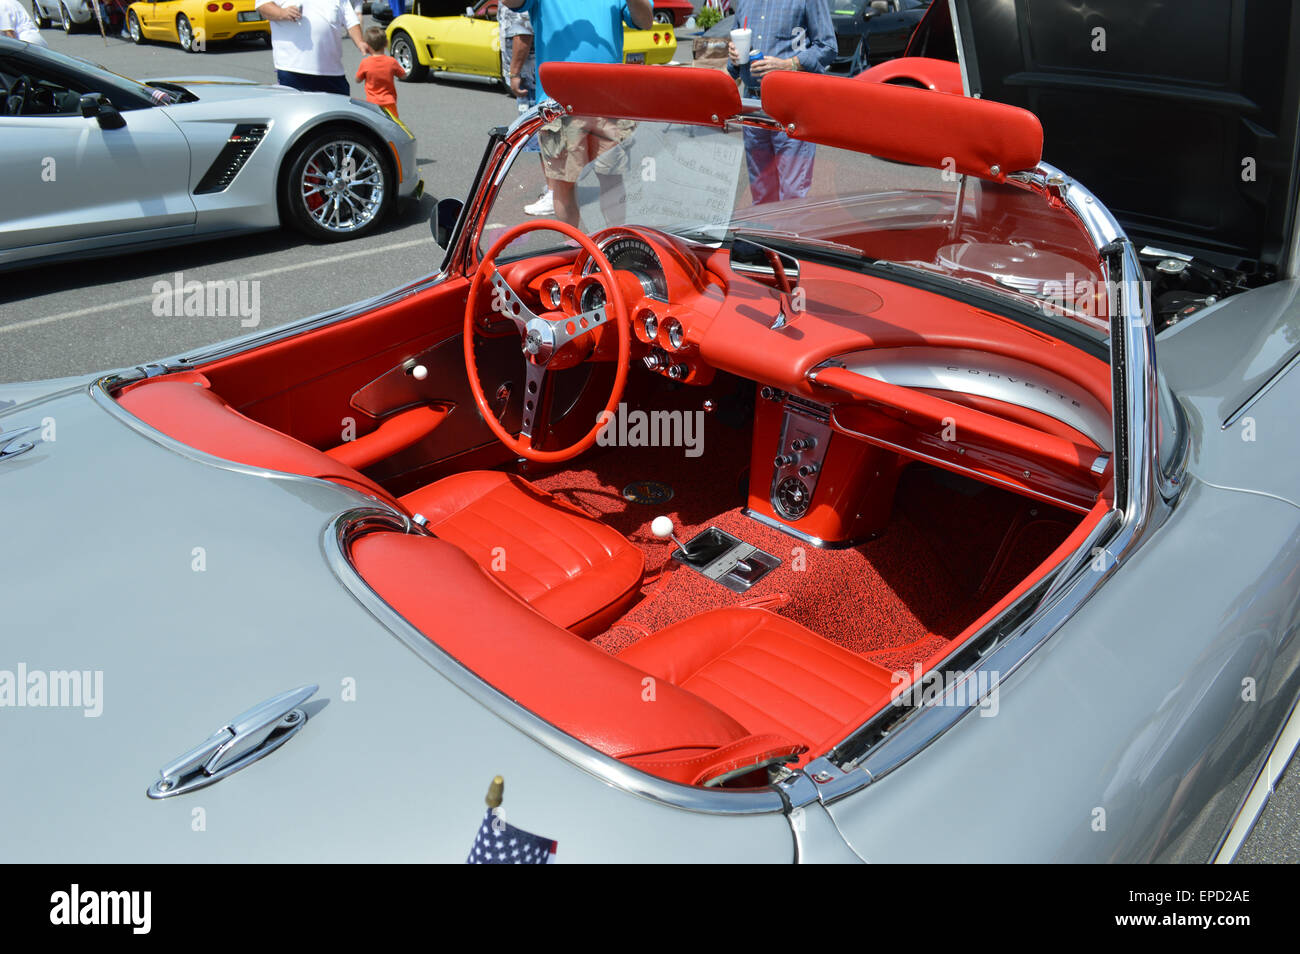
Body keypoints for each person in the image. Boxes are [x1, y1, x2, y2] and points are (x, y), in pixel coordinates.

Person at [503, 0, 653, 226]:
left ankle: (615, 248)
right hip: (559, 103)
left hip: (609, 101)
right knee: (563, 184)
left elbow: (645, 21)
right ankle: (573, 250)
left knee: (612, 180)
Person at [726, 0, 834, 204]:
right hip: (754, 106)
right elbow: (734, 56)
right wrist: (733, 55)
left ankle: (788, 236)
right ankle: (762, 236)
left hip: (790, 103)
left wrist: (788, 64)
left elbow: (828, 47)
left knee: (792, 196)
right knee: (761, 193)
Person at [257, 0, 368, 95]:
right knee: (299, 114)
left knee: (339, 115)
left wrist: (360, 42)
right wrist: (282, 13)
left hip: (333, 73)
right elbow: (263, 6)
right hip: (294, 70)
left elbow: (351, 20)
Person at [355, 25, 406, 117]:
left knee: (375, 125)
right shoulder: (391, 61)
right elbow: (403, 75)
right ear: (386, 43)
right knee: (393, 125)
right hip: (389, 102)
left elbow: (357, 80)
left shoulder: (365, 63)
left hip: (372, 103)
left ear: (367, 45)